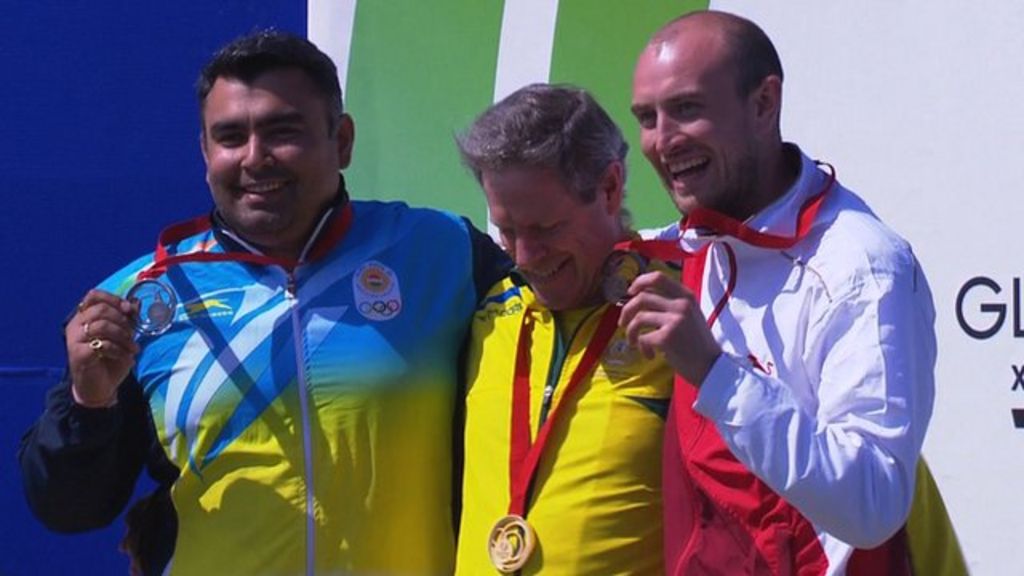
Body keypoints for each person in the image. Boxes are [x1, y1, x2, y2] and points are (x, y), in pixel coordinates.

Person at [18, 30, 508, 575]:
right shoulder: (139, 299)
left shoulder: (445, 253)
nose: (255, 158)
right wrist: (88, 406)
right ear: (204, 152)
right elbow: (70, 509)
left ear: (341, 140)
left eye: (283, 131)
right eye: (230, 137)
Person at [624, 10, 964, 575]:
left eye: (686, 109)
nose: (661, 141)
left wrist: (715, 373)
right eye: (646, 118)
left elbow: (872, 503)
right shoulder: (698, 240)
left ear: (764, 104)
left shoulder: (861, 265)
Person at [453, 84, 676, 574]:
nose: (525, 257)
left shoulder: (682, 313)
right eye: (506, 231)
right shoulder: (489, 313)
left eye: (546, 229)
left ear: (610, 188)